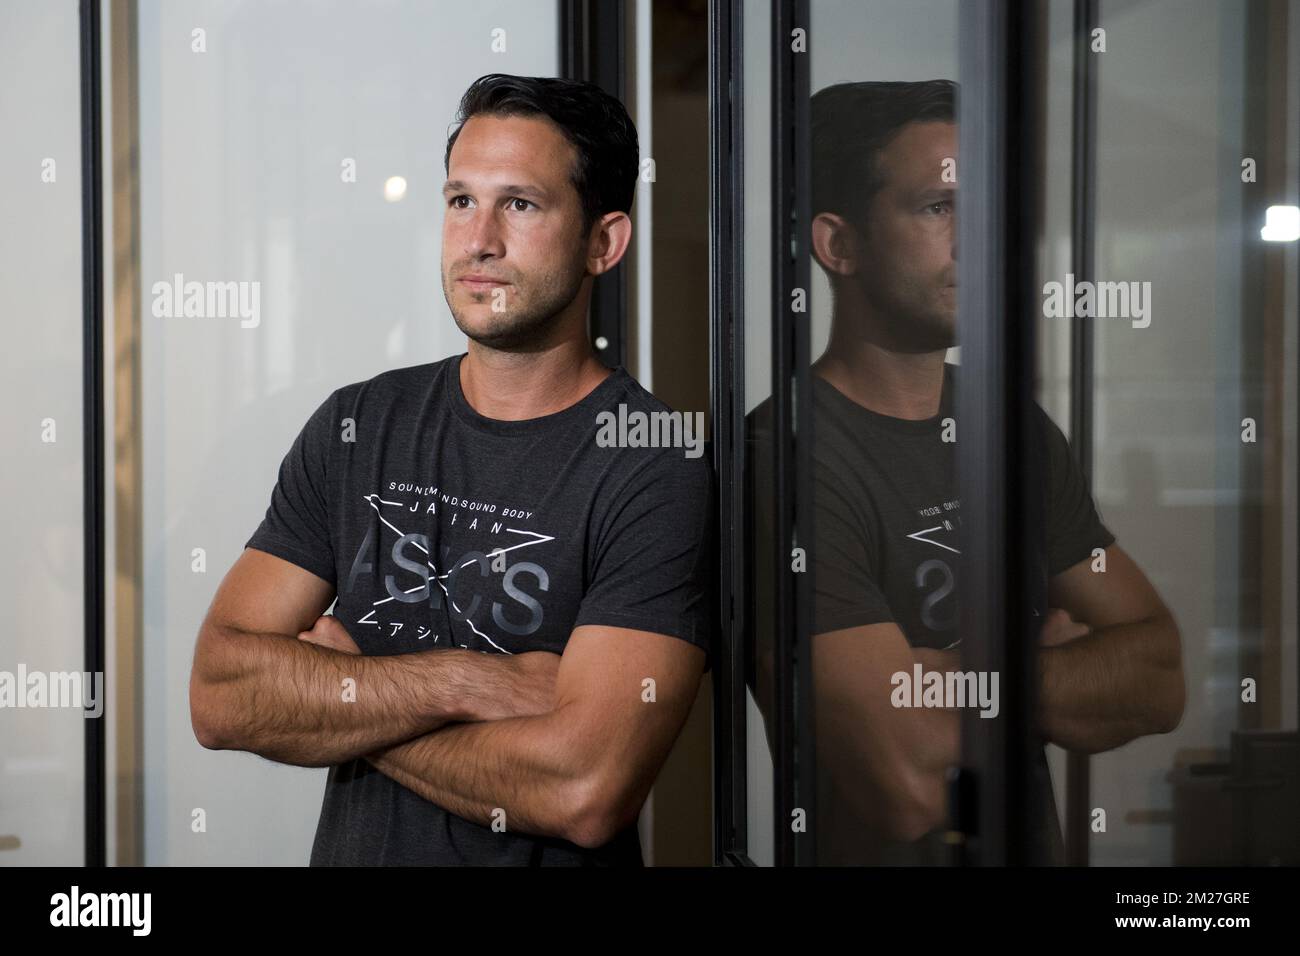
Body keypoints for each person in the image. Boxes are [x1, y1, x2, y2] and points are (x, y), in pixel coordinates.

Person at [189, 74, 715, 866]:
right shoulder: (360, 424)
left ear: (603, 243)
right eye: (461, 201)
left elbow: (584, 788)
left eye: (521, 204)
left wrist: (346, 692)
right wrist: (463, 684)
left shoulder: (653, 463)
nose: (479, 241)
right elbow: (219, 697)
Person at [748, 80, 1185, 864]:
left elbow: (1158, 676)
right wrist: (1057, 671)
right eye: (937, 208)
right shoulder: (784, 456)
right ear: (838, 245)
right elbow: (907, 780)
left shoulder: (1011, 429)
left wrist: (953, 676)